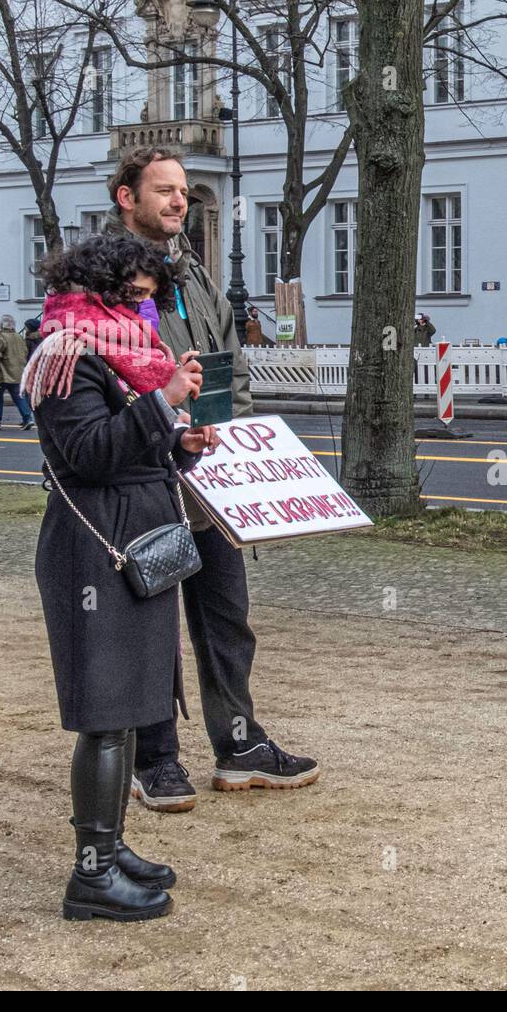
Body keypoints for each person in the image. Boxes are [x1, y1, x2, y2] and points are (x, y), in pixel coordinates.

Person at [104, 146, 318, 811]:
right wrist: (165, 441)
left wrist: (237, 450)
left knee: (227, 618)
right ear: (126, 198)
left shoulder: (193, 273)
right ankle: (156, 758)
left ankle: (240, 744)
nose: (177, 201)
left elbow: (231, 370)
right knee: (154, 628)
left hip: (213, 481)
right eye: (163, 190)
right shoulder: (112, 278)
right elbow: (106, 382)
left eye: (182, 193)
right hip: (149, 482)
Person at [23, 234, 219, 921]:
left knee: (136, 705)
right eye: (131, 293)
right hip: (94, 550)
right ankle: (92, 877)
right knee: (106, 716)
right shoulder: (66, 352)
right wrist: (162, 405)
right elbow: (88, 454)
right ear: (98, 288)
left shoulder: (123, 354)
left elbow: (135, 450)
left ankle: (110, 848)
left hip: (136, 539)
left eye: (149, 295)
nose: (143, 306)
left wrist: (179, 445)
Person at [0, 314, 35, 430]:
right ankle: (27, 418)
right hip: (17, 373)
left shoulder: (0, 337)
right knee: (19, 397)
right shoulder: (19, 337)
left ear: (1, 325)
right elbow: (24, 353)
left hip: (2, 374)